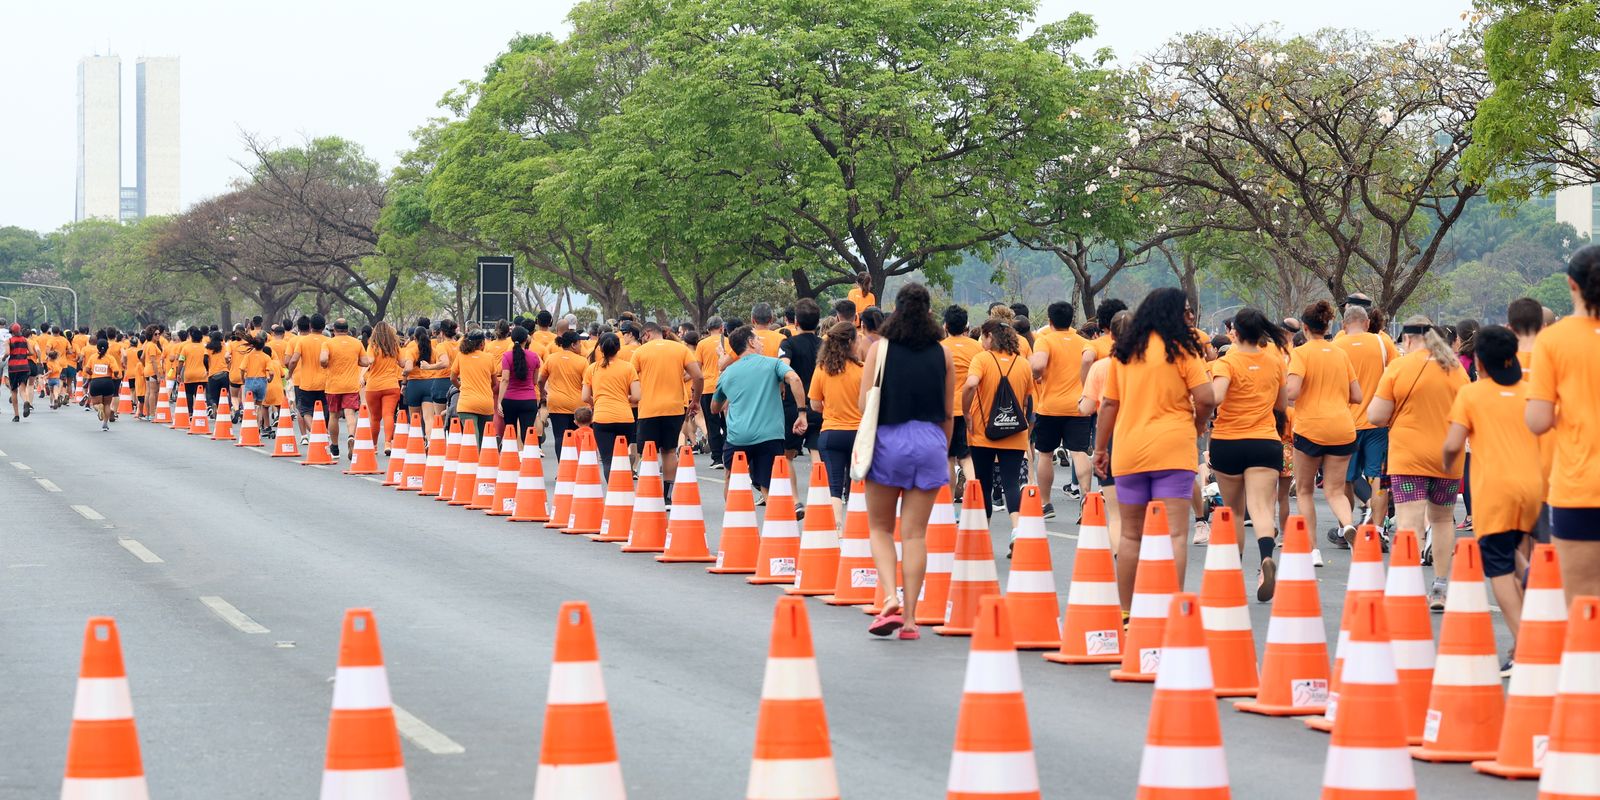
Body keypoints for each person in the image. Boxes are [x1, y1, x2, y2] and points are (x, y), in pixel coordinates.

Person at [1094, 288, 1215, 607]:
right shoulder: (1183, 350)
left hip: (1129, 451)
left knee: (1131, 535)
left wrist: (1100, 450)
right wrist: (1198, 424)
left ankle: (1126, 612)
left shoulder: (1124, 351)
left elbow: (1108, 404)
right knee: (1175, 534)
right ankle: (1171, 610)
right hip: (1173, 449)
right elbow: (1206, 397)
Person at [857, 283, 953, 639]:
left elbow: (863, 405)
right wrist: (940, 450)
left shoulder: (879, 350)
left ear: (894, 311)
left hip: (889, 440)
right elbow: (948, 412)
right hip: (929, 442)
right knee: (915, 535)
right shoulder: (941, 354)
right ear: (929, 312)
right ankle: (911, 620)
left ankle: (889, 596)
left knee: (881, 528)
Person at [1444, 326, 1540, 672]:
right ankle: (1536, 585)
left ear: (1479, 362)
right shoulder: (1531, 392)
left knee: (1497, 566)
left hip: (1495, 492)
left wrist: (1445, 462)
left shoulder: (1472, 395)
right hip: (1532, 490)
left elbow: (1454, 445)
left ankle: (1527, 648)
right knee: (1515, 552)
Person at [1369, 316, 1469, 610]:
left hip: (1408, 458)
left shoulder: (1399, 367)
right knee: (1441, 520)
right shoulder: (1455, 370)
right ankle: (1439, 586)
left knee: (1409, 521)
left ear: (1409, 339)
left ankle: (1407, 586)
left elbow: (1375, 416)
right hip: (1447, 459)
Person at [1526, 244, 1600, 602]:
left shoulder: (1553, 340)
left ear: (1572, 284)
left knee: (1582, 604)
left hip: (1579, 487)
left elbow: (1537, 420)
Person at [1208, 308, 1289, 601]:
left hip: (1228, 442)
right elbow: (1281, 404)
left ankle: (1233, 573)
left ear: (1235, 333)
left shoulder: (1226, 362)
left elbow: (1215, 398)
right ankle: (1265, 558)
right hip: (1265, 442)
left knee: (1234, 512)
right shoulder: (1276, 360)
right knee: (1261, 508)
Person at [1287, 301, 1362, 555]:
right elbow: (1358, 395)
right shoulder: (1341, 354)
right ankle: (1349, 525)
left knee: (1305, 490)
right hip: (1342, 428)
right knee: (1335, 490)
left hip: (1310, 428)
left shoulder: (1301, 353)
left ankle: (1313, 550)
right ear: (1328, 325)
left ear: (1305, 328)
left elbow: (1293, 392)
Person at [712, 324, 807, 500]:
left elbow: (714, 408)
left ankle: (733, 520)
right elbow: (794, 378)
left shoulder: (727, 373)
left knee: (732, 478)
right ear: (750, 342)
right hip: (770, 435)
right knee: (769, 483)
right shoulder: (773, 364)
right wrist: (802, 413)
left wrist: (731, 392)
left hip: (738, 436)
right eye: (758, 340)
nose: (761, 344)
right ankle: (776, 522)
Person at [961, 317, 1035, 531]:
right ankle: (1017, 529)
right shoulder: (1022, 363)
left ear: (990, 337)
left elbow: (971, 384)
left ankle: (984, 531)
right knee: (1011, 482)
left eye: (983, 337)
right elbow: (1026, 399)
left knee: (983, 484)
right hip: (1014, 432)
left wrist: (966, 411)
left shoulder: (982, 359)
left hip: (983, 432)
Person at [1333, 303, 1398, 534]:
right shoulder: (1383, 343)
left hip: (1346, 424)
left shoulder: (1336, 346)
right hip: (1378, 423)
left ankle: (1345, 526)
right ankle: (1379, 529)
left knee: (1346, 480)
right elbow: (1396, 375)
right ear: (1368, 323)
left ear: (1343, 325)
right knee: (1377, 476)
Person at [1029, 301, 1093, 520]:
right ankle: (1086, 498)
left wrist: (1036, 375)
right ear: (1071, 320)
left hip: (1050, 408)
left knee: (1045, 454)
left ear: (1050, 321)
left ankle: (1046, 504)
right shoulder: (1084, 342)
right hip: (1079, 406)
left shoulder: (1044, 341)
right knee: (1079, 452)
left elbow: (1037, 366)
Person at [1081, 309, 1132, 552]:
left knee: (1117, 515)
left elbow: (1087, 407)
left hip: (1111, 438)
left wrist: (1081, 402)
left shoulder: (1101, 368)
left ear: (1110, 335)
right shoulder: (1151, 366)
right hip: (1143, 436)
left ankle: (1121, 559)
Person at [632, 321, 702, 479]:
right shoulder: (680, 349)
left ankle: (649, 493)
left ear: (647, 334)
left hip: (648, 409)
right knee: (669, 451)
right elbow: (698, 376)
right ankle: (667, 495)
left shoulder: (639, 352)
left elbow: (631, 379)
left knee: (648, 452)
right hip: (675, 407)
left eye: (643, 338)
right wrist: (696, 400)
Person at [809, 322, 864, 520]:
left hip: (831, 433)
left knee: (834, 486)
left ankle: (836, 528)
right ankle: (859, 528)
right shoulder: (862, 370)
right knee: (859, 484)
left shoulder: (822, 369)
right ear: (850, 342)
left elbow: (815, 404)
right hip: (859, 435)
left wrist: (831, 409)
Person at [581, 333, 641, 481]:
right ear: (619, 348)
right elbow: (637, 396)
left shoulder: (592, 369)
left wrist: (597, 402)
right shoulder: (628, 368)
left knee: (608, 459)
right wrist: (625, 398)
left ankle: (613, 492)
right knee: (620, 457)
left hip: (602, 418)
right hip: (625, 418)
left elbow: (584, 397)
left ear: (600, 348)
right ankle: (624, 488)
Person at [940, 305, 981, 496]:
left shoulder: (939, 347)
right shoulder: (977, 347)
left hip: (944, 409)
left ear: (945, 325)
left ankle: (947, 504)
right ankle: (974, 496)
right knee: (966, 456)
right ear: (966, 325)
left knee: (947, 457)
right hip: (970, 409)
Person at [778, 299, 822, 465]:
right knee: (816, 451)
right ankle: (821, 489)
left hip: (793, 406)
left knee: (786, 455)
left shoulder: (788, 344)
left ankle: (790, 492)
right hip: (819, 404)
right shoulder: (824, 344)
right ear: (818, 322)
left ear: (796, 321)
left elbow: (784, 368)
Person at [319, 319, 365, 457]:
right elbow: (366, 361)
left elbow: (322, 360)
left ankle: (335, 447)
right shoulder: (357, 343)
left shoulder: (328, 343)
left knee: (334, 415)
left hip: (333, 385)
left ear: (334, 330)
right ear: (347, 329)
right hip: (351, 385)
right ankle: (351, 436)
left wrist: (325, 365)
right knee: (350, 414)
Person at [400, 324, 450, 439]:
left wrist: (404, 376)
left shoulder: (411, 351)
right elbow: (443, 363)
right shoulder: (434, 350)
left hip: (414, 386)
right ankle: (429, 441)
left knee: (415, 418)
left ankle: (417, 443)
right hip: (430, 384)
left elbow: (407, 368)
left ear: (415, 339)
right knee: (428, 418)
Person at [540, 331, 587, 451]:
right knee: (576, 437)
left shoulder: (551, 359)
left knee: (560, 437)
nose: (581, 346)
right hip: (577, 405)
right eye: (579, 343)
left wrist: (542, 392)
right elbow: (587, 384)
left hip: (557, 403)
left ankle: (562, 465)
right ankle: (575, 464)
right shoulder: (582, 361)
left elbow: (541, 379)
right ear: (573, 345)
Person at [361, 322, 403, 455]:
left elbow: (370, 360)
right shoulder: (395, 347)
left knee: (375, 417)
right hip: (391, 385)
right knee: (389, 415)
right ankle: (388, 443)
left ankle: (373, 446)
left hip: (373, 386)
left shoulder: (372, 346)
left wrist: (363, 372)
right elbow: (402, 363)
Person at [288, 315, 331, 444]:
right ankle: (323, 431)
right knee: (325, 409)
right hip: (326, 382)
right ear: (323, 327)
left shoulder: (302, 341)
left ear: (311, 326)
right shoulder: (328, 341)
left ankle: (315, 432)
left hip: (306, 383)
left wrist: (290, 372)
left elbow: (294, 360)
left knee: (304, 410)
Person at [451, 330, 501, 442]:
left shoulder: (461, 356)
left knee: (472, 440)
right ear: (482, 343)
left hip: (466, 404)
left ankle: (473, 459)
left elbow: (453, 378)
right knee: (484, 441)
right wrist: (487, 390)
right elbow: (495, 382)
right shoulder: (489, 358)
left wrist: (461, 388)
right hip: (486, 404)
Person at [497, 326, 542, 443]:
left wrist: (499, 401)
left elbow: (505, 379)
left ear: (511, 339)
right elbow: (535, 381)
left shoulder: (507, 356)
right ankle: (528, 457)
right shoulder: (534, 356)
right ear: (526, 340)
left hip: (510, 400)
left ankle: (510, 458)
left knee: (510, 432)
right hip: (529, 400)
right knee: (527, 433)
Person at [695, 317, 727, 469]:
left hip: (708, 387)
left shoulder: (702, 344)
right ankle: (729, 454)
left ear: (708, 329)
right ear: (722, 327)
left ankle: (717, 457)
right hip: (727, 385)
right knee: (728, 422)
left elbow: (697, 367)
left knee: (712, 422)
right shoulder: (728, 341)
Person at [83, 337, 121, 431]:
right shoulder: (110, 358)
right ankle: (105, 424)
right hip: (108, 382)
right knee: (107, 404)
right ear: (107, 348)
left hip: (96, 382)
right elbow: (116, 370)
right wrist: (115, 375)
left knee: (95, 403)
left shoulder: (93, 357)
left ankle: (98, 407)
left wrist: (93, 374)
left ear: (97, 347)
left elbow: (87, 369)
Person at [239, 334, 272, 434]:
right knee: (259, 405)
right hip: (262, 381)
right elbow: (271, 372)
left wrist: (242, 379)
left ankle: (250, 424)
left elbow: (242, 369)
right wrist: (270, 379)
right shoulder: (266, 357)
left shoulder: (248, 356)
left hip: (249, 380)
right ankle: (258, 425)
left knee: (250, 404)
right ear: (263, 345)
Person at [7, 323, 37, 421]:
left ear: (11, 332)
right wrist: (24, 353)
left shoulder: (9, 341)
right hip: (24, 366)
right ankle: (26, 402)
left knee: (14, 391)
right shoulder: (25, 340)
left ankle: (16, 416)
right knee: (23, 389)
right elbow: (32, 353)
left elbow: (7, 353)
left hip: (13, 368)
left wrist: (3, 357)